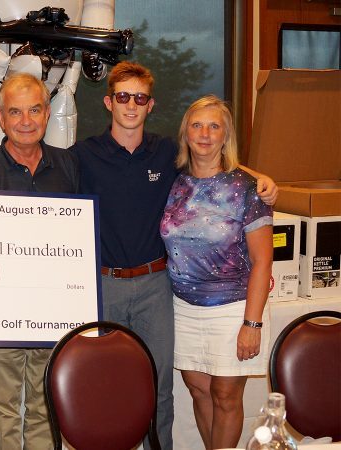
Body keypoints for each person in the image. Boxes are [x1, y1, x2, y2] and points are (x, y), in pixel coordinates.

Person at [0, 61, 278, 450]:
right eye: (123, 97)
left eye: (139, 98)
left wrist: (258, 177)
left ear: (150, 105)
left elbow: (209, 158)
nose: (131, 105)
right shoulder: (80, 157)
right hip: (101, 287)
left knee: (158, 387)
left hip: (155, 287)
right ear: (109, 102)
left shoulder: (164, 153)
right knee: (101, 385)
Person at [0, 73, 79, 449]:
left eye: (34, 110)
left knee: (47, 407)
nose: (25, 121)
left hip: (54, 313)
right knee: (4, 410)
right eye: (15, 112)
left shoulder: (69, 166)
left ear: (47, 114)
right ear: (0, 118)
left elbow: (80, 242)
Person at [160, 95, 273, 449]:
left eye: (214, 126)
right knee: (198, 390)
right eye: (197, 125)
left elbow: (262, 262)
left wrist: (251, 324)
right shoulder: (174, 182)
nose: (205, 134)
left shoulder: (247, 189)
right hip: (182, 308)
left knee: (225, 395)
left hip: (234, 308)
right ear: (186, 134)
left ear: (226, 136)